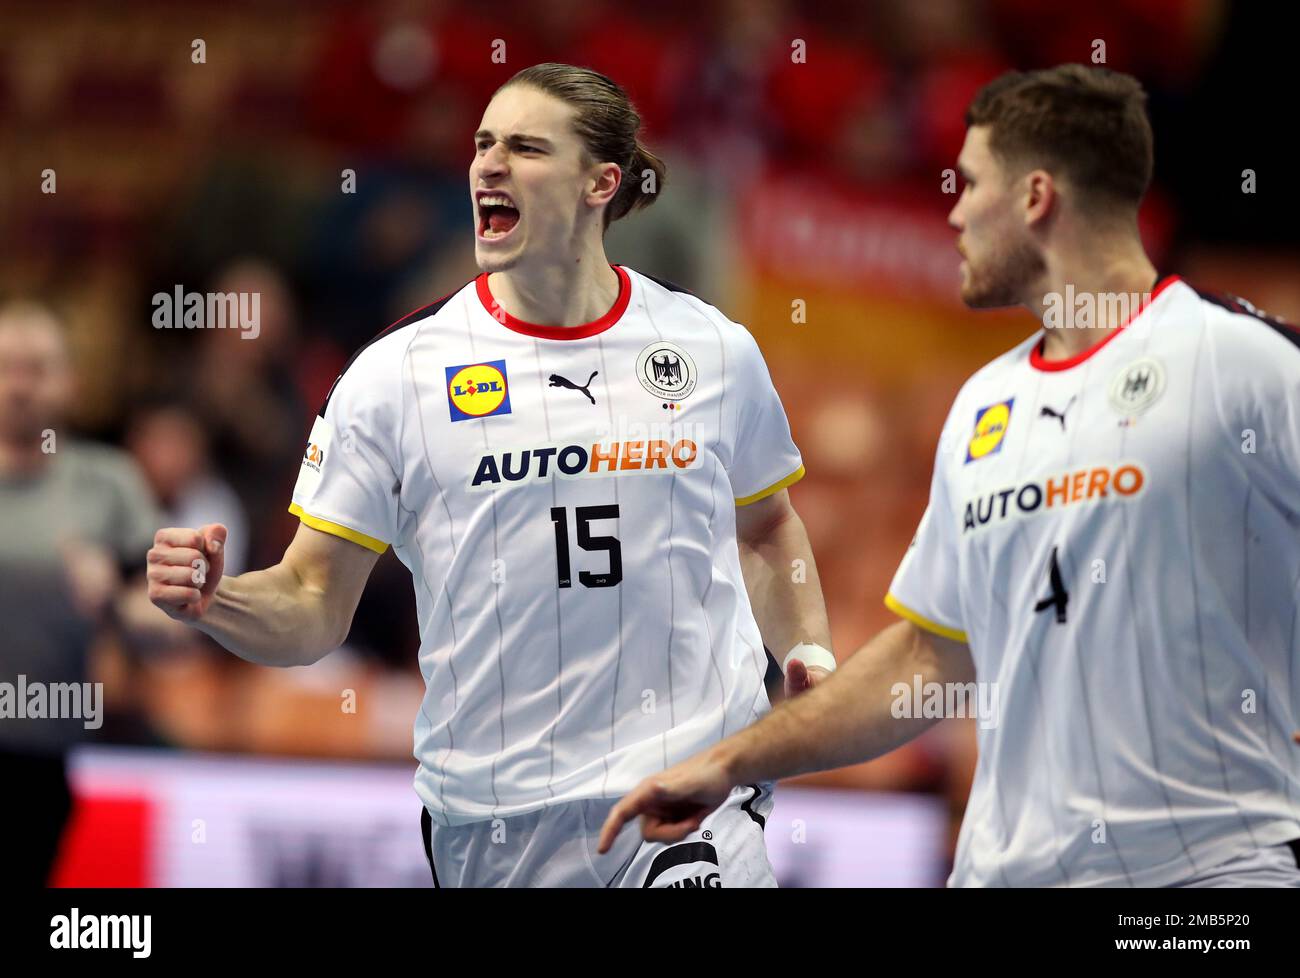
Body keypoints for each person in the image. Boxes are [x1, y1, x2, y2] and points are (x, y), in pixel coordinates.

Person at [599, 64, 1300, 888]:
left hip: (1201, 886)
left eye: (970, 185)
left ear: (1036, 196)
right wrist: (732, 761)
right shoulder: (983, 406)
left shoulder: (1241, 362)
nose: (954, 212)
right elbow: (929, 660)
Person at [148, 63, 833, 888]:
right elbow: (310, 603)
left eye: (525, 147)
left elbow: (765, 527)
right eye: (482, 144)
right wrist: (218, 597)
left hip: (690, 794)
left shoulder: (709, 349)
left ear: (599, 183)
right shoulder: (396, 375)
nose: (488, 164)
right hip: (494, 824)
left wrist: (810, 654)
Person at [0, 301, 163, 885]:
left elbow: (176, 621)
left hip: (47, 759)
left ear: (70, 380)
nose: (21, 386)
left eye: (38, 369)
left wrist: (114, 600)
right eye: (8, 368)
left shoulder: (107, 483)